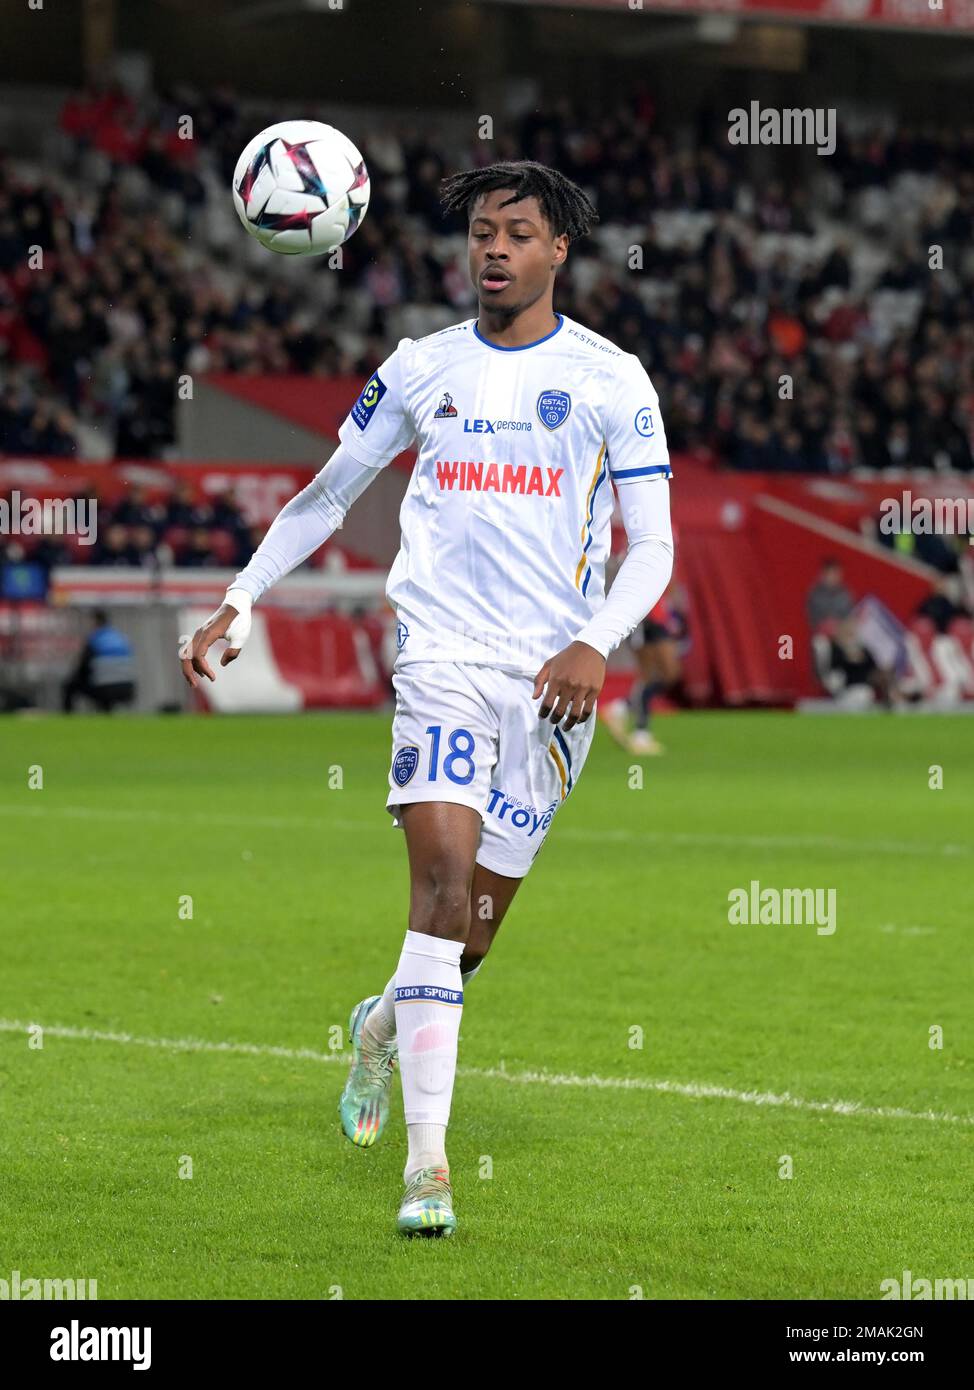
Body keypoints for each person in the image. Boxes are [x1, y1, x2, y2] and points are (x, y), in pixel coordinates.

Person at [179, 160, 674, 1238]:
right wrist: (239, 598)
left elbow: (655, 550)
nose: (491, 248)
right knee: (439, 891)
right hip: (441, 659)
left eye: (516, 233)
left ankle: (376, 1024)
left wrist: (594, 641)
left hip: (549, 688)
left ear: (557, 253)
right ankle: (427, 1167)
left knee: (470, 939)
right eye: (480, 232)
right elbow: (324, 496)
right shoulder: (419, 367)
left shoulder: (610, 380)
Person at [604, 581, 688, 755]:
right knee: (648, 675)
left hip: (659, 616)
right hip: (643, 615)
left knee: (670, 674)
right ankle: (641, 734)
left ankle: (621, 708)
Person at [63, 608, 136, 712]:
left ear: (95, 621)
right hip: (128, 687)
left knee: (70, 686)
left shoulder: (95, 638)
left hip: (104, 688)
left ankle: (68, 719)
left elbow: (83, 667)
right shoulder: (120, 637)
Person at [806, 558, 854, 629]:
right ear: (824, 574)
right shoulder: (815, 594)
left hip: (842, 632)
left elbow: (850, 615)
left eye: (837, 574)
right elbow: (812, 617)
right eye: (832, 573)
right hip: (821, 633)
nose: (835, 577)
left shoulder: (845, 595)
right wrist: (825, 624)